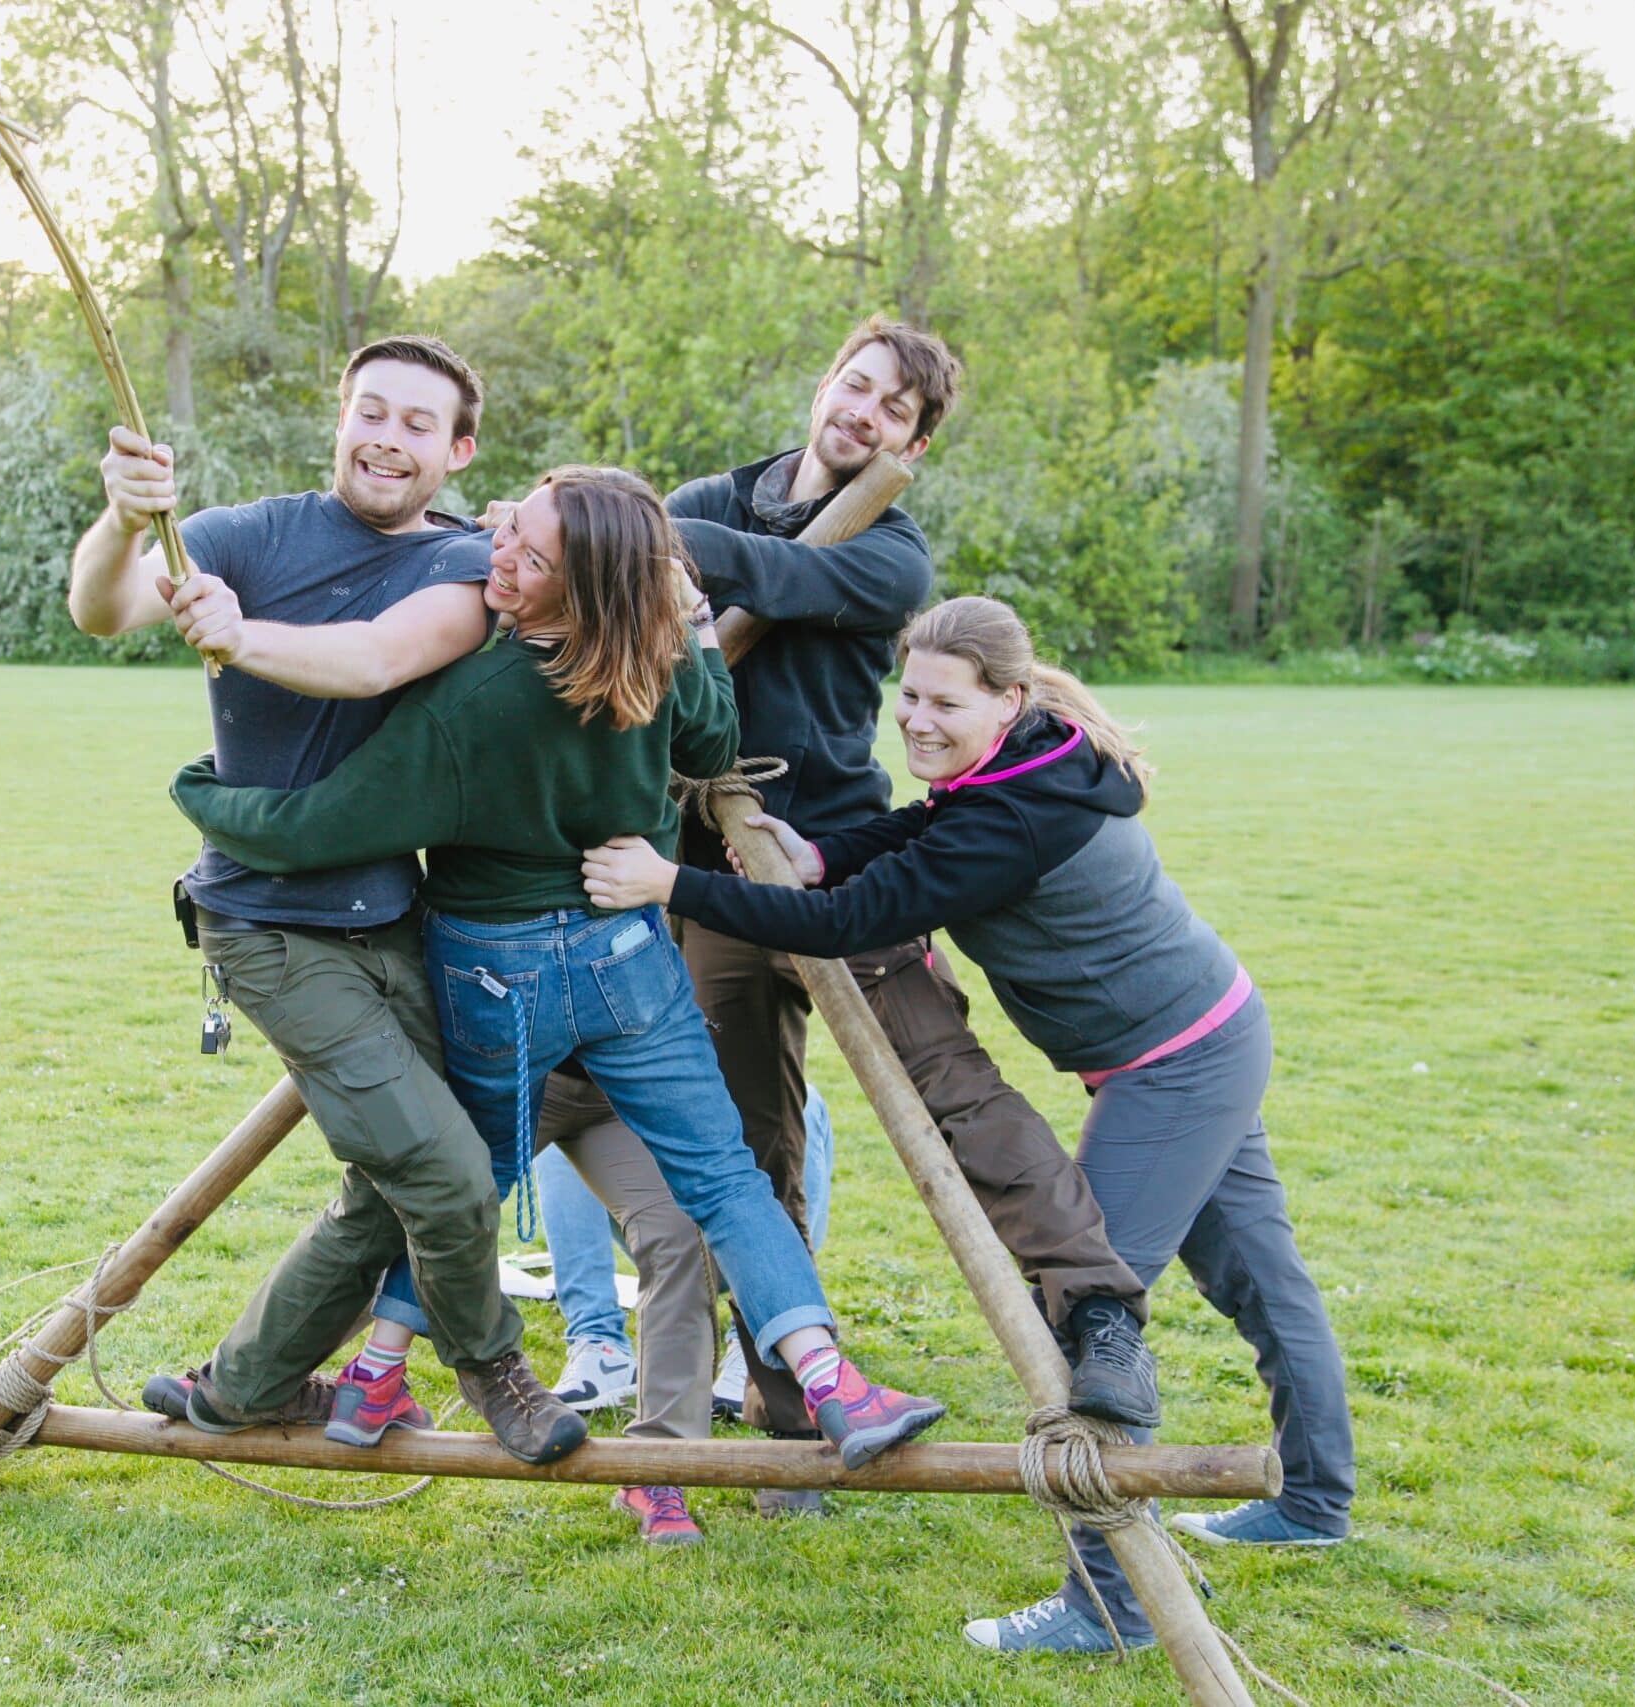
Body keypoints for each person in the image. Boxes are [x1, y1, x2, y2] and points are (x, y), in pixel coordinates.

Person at [172, 466, 948, 1544]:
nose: (501, 558)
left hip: (497, 971)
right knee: (724, 1179)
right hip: (628, 953)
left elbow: (324, 826)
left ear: (578, 588)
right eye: (508, 531)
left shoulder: (476, 701)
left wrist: (203, 792)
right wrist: (697, 626)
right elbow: (714, 744)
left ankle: (377, 1370)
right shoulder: (654, 652)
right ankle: (833, 1383)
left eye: (531, 557)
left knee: (476, 1175)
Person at [581, 594, 1356, 1649]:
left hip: (1174, 1070)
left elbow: (857, 920)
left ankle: (1111, 1604)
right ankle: (1312, 1501)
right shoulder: (1018, 768)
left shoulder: (1018, 813)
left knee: (1084, 1320)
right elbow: (919, 830)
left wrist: (673, 882)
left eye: (944, 702)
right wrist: (823, 849)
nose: (916, 720)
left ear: (1009, 700)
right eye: (907, 697)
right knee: (1255, 1278)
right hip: (1208, 1033)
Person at [546, 315, 1157, 1518]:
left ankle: (1094, 1303)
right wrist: (670, 549)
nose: (862, 415)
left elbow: (774, 575)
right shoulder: (716, 494)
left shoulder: (893, 556)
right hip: (707, 864)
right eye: (855, 387)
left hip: (831, 856)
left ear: (911, 446)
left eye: (893, 412)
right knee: (753, 1139)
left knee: (947, 1086)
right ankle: (791, 1422)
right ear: (825, 385)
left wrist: (664, 544)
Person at [69, 334, 585, 1465]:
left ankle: (242, 1386)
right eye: (371, 412)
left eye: (416, 424)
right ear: (338, 420)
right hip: (264, 923)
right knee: (444, 1172)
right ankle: (494, 1367)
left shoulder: (461, 565)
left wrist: (242, 635)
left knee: (394, 1182)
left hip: (394, 915)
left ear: (457, 452)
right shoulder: (254, 533)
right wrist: (121, 517)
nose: (386, 439)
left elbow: (379, 659)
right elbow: (103, 613)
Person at [538, 1085, 832, 1418]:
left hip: (742, 1204)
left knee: (796, 1101)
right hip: (659, 1213)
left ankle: (752, 1343)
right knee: (572, 1117)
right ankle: (598, 1343)